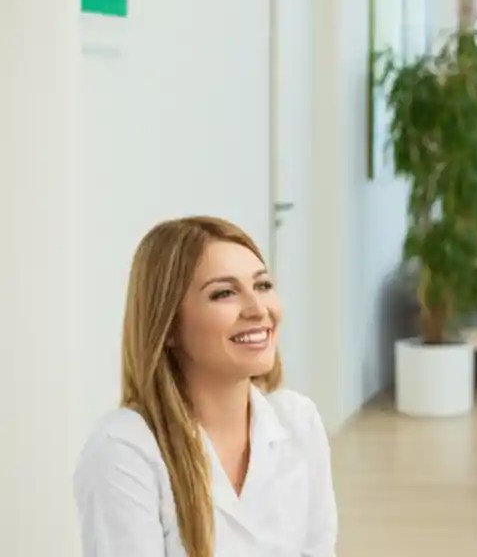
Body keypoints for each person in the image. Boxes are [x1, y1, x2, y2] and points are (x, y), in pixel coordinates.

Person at [73, 217, 337, 556]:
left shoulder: (299, 420)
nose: (258, 309)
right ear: (168, 325)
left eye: (262, 285)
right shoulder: (124, 449)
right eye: (224, 293)